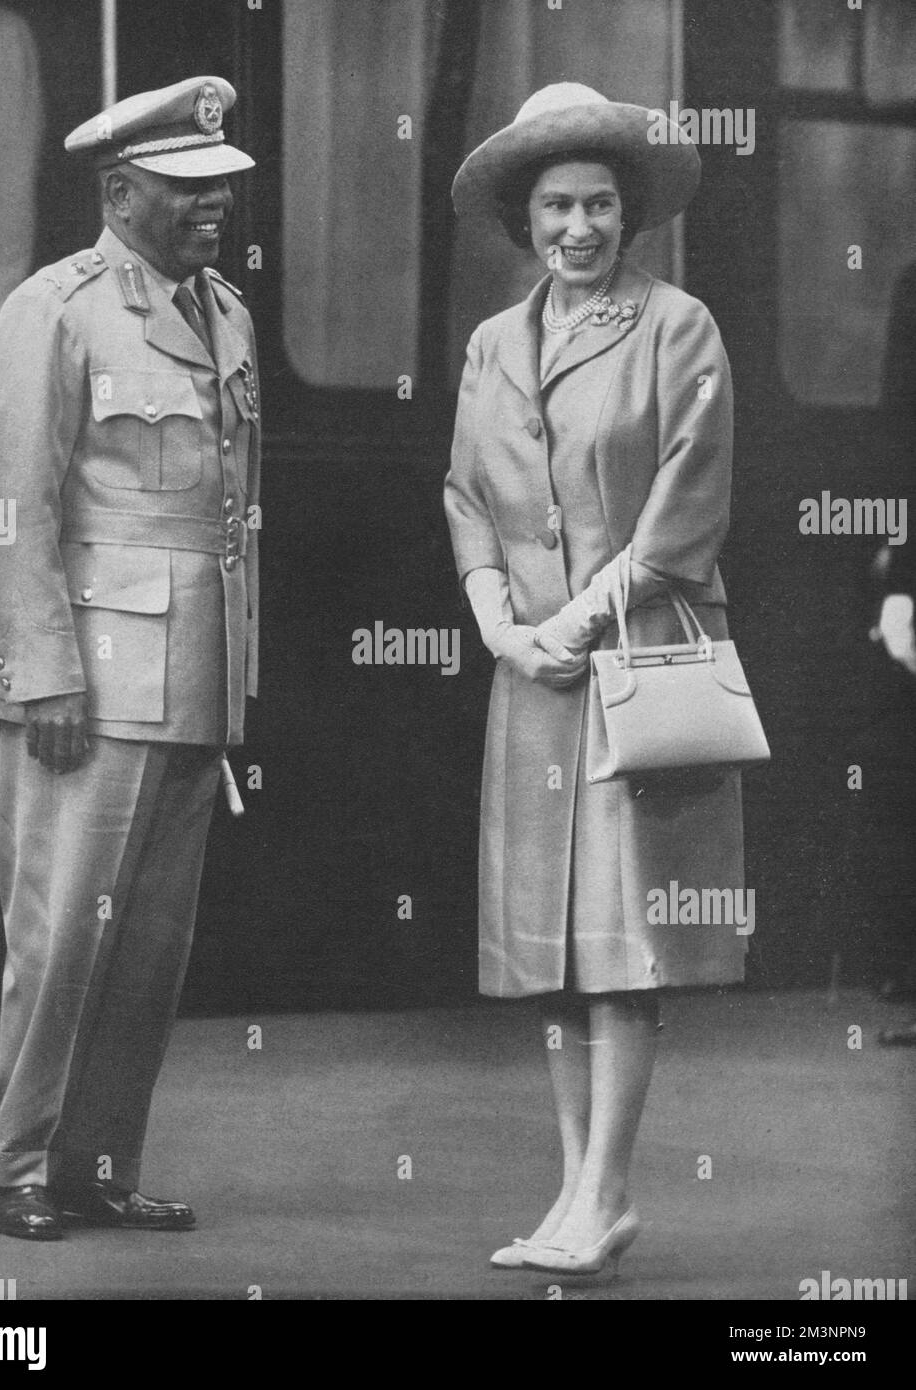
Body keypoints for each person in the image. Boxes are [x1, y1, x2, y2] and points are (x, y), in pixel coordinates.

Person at [444, 84, 747, 1277]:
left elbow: (685, 513)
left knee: (627, 943)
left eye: (602, 205)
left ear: (632, 218)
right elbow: (466, 494)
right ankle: (575, 1191)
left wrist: (566, 621)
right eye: (560, 205)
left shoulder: (680, 327)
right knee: (547, 946)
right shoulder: (490, 343)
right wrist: (494, 622)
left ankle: (608, 1189)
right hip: (532, 673)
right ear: (528, 219)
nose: (581, 227)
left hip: (639, 658)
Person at [0, 77, 260, 1239]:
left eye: (220, 185)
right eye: (186, 188)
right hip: (83, 676)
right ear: (119, 191)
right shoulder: (56, 310)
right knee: (59, 936)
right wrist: (41, 672)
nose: (213, 204)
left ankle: (93, 1162)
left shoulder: (221, 315)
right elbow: (6, 507)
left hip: (191, 677)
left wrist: (234, 674)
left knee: (149, 948)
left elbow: (230, 514)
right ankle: (14, 1165)